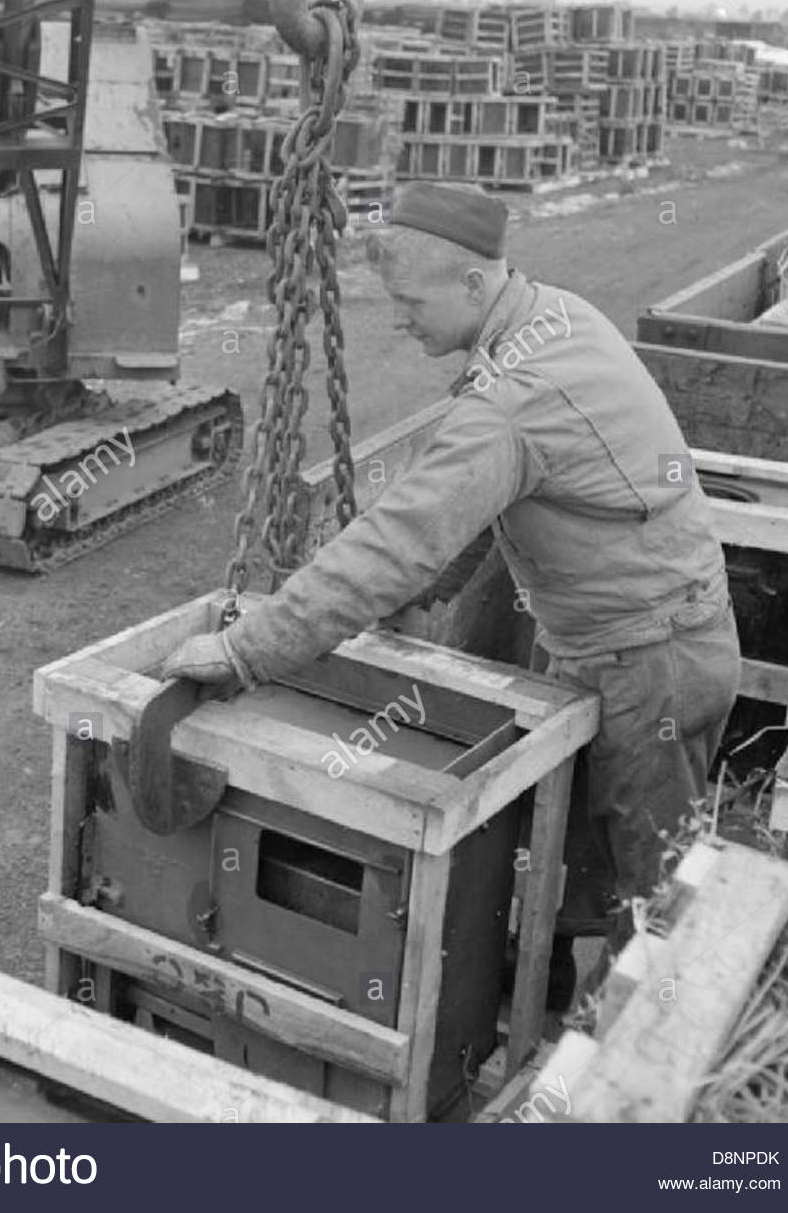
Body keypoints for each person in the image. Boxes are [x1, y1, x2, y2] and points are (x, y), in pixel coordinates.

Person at [162, 181, 741, 1005]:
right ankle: (541, 1014)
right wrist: (421, 596)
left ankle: (625, 1087)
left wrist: (245, 650)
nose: (399, 319)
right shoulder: (556, 317)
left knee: (654, 910)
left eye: (407, 301)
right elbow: (483, 509)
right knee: (580, 867)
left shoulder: (512, 399)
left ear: (471, 285)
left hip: (651, 667)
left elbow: (401, 536)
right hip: (642, 644)